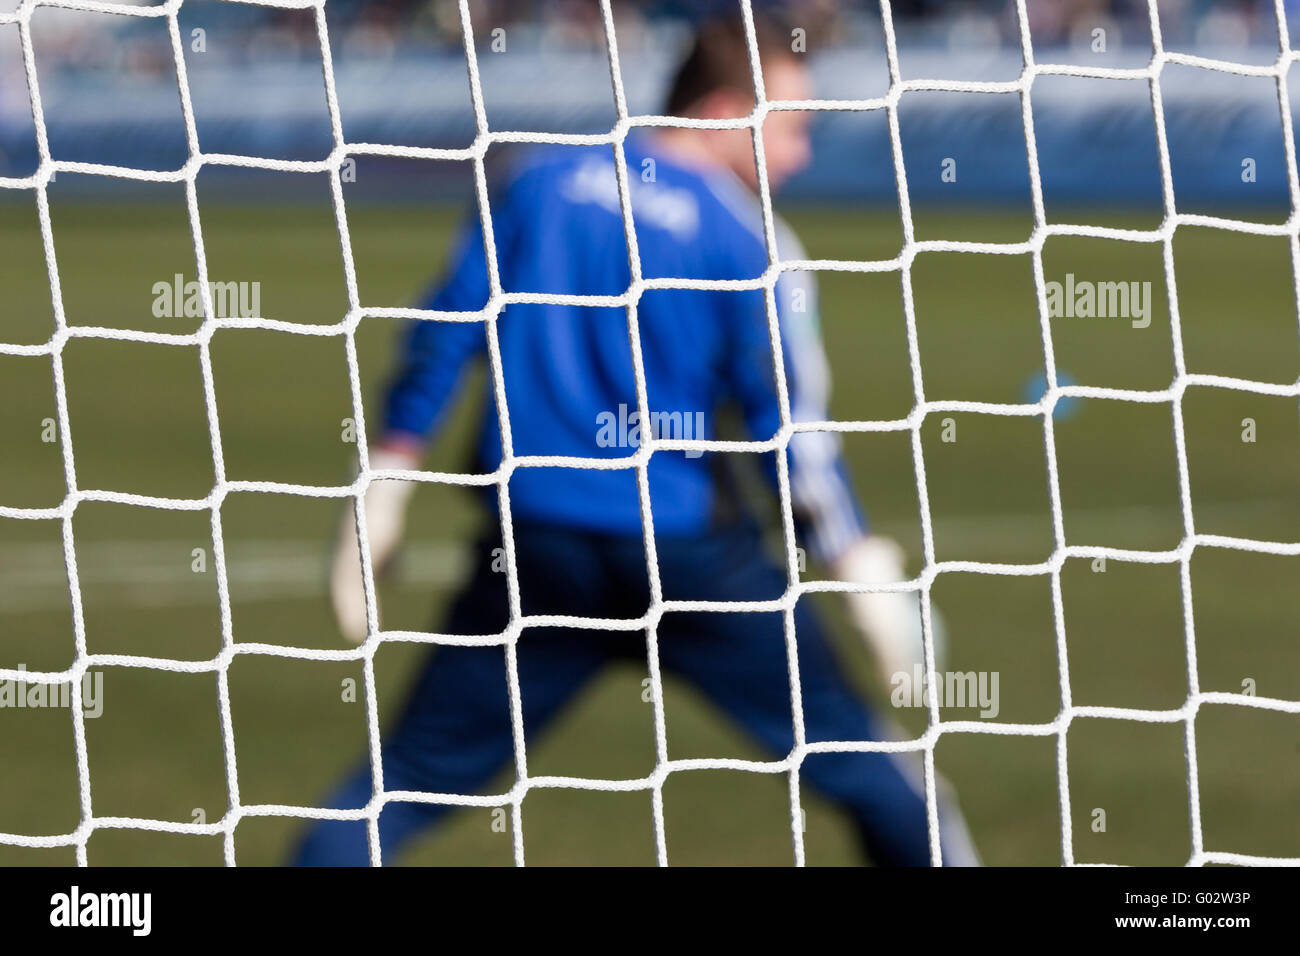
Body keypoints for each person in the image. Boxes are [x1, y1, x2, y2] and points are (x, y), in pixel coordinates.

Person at [297, 14, 978, 866]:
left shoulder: (540, 182)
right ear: (726, 108)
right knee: (875, 776)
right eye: (792, 128)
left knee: (398, 791)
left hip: (535, 549)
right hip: (685, 555)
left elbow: (445, 329)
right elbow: (786, 431)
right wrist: (855, 563)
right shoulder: (748, 240)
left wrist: (387, 482)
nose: (800, 156)